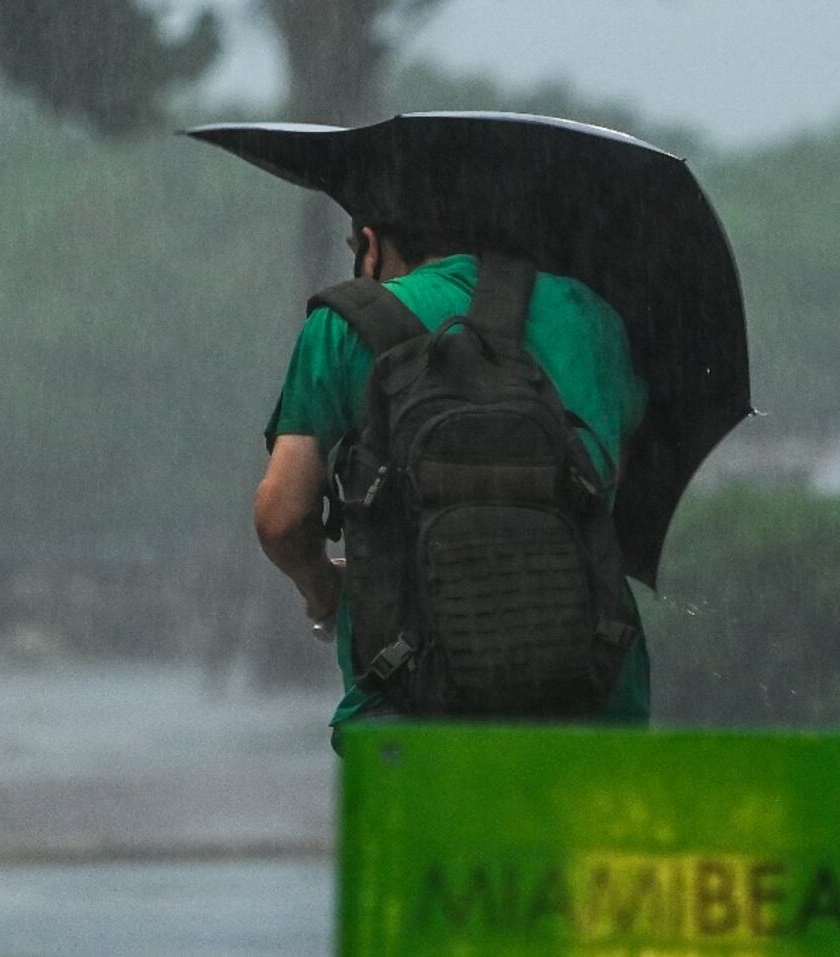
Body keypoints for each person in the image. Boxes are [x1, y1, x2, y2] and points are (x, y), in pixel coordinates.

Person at [255, 218, 651, 750]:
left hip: (408, 716)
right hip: (589, 701)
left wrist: (325, 592)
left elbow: (282, 518)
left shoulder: (340, 324)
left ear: (370, 246)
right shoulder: (591, 317)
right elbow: (607, 486)